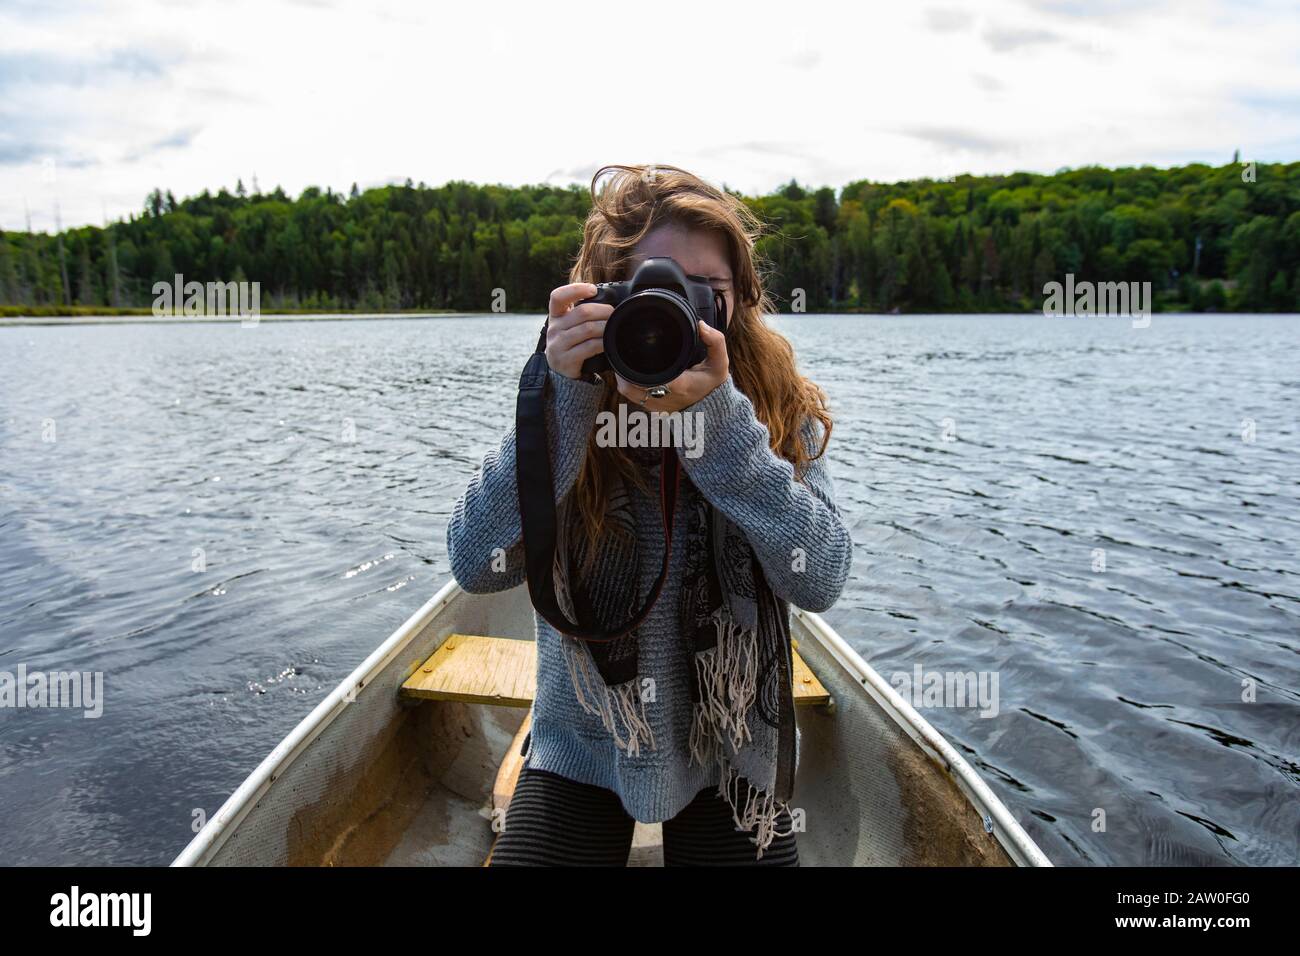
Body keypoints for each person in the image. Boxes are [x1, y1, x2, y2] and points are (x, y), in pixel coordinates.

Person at [447, 163, 852, 866]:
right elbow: (474, 565)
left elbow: (820, 578)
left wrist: (718, 426)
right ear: (602, 296)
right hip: (584, 734)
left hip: (732, 744)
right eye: (652, 288)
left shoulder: (782, 409)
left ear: (743, 299)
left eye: (707, 292)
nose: (679, 316)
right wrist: (564, 407)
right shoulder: (562, 391)